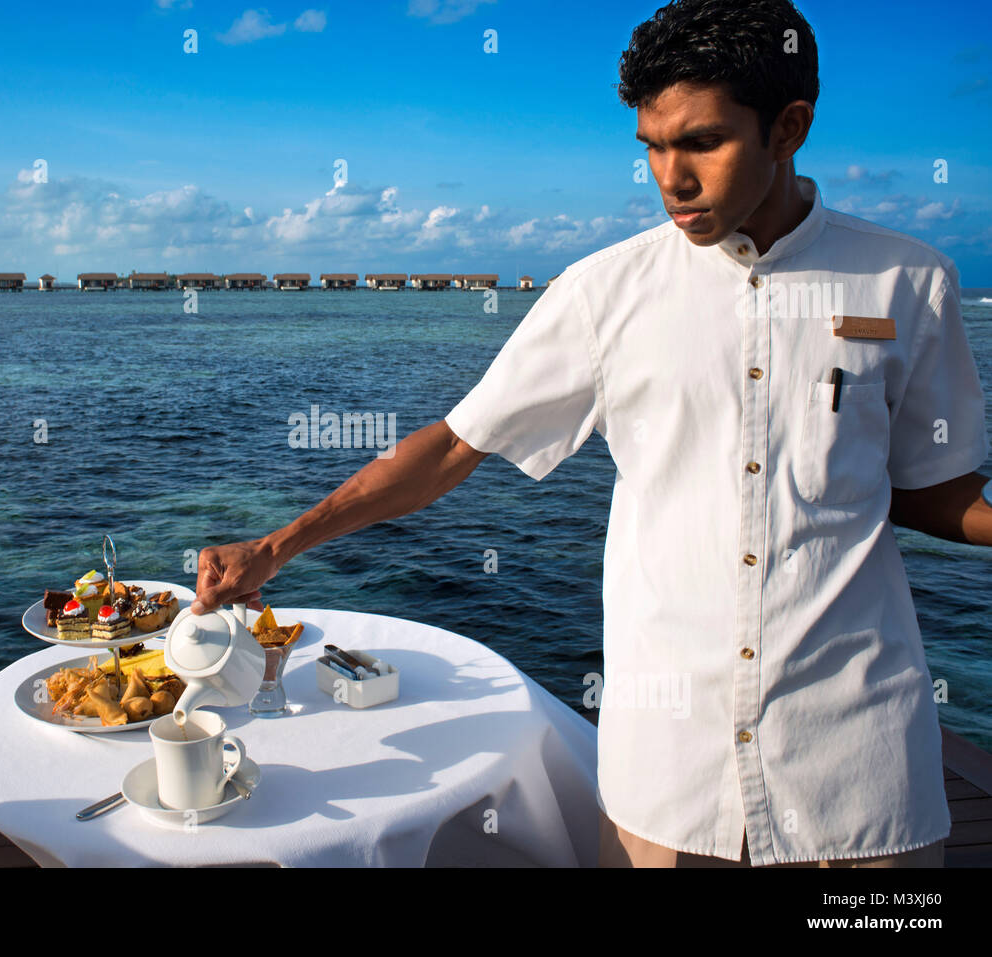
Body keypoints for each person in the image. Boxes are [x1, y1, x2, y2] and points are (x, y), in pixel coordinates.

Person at [190, 0, 992, 867]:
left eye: (702, 142)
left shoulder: (910, 282)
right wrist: (280, 544)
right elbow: (456, 446)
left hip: (859, 769)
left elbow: (934, 492)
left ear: (789, 126)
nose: (669, 177)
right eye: (652, 144)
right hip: (672, 775)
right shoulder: (604, 293)